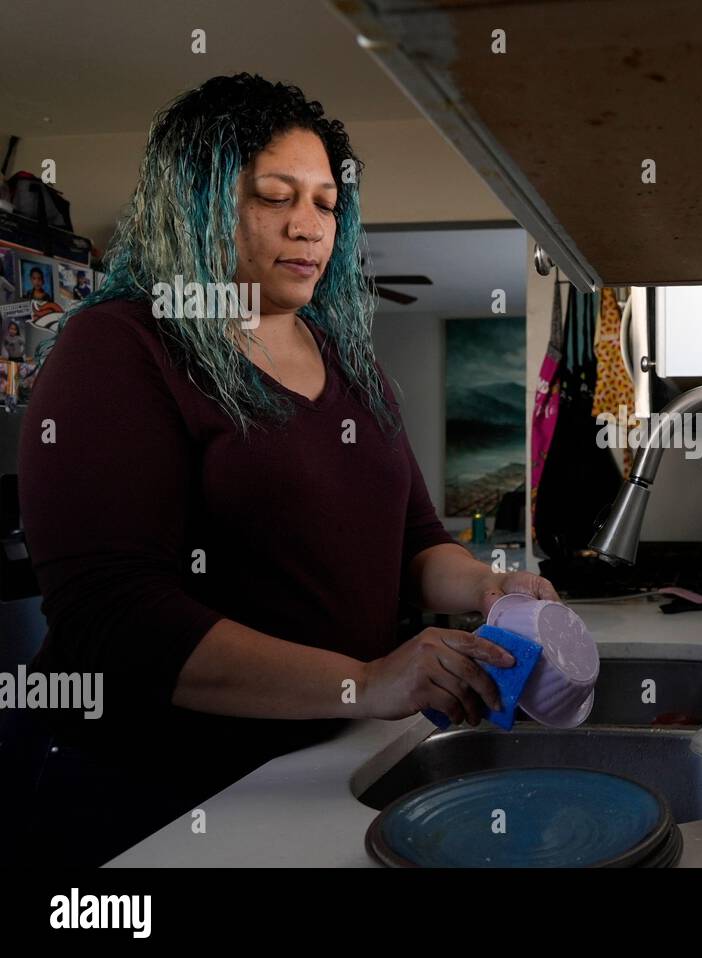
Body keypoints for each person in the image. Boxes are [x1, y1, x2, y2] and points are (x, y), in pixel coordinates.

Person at [0, 73, 559, 867]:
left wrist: (483, 586)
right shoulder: (121, 346)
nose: (310, 227)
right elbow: (113, 619)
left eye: (327, 203)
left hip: (311, 767)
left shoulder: (345, 362)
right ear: (197, 203)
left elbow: (418, 540)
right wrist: (366, 681)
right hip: (137, 792)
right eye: (274, 196)